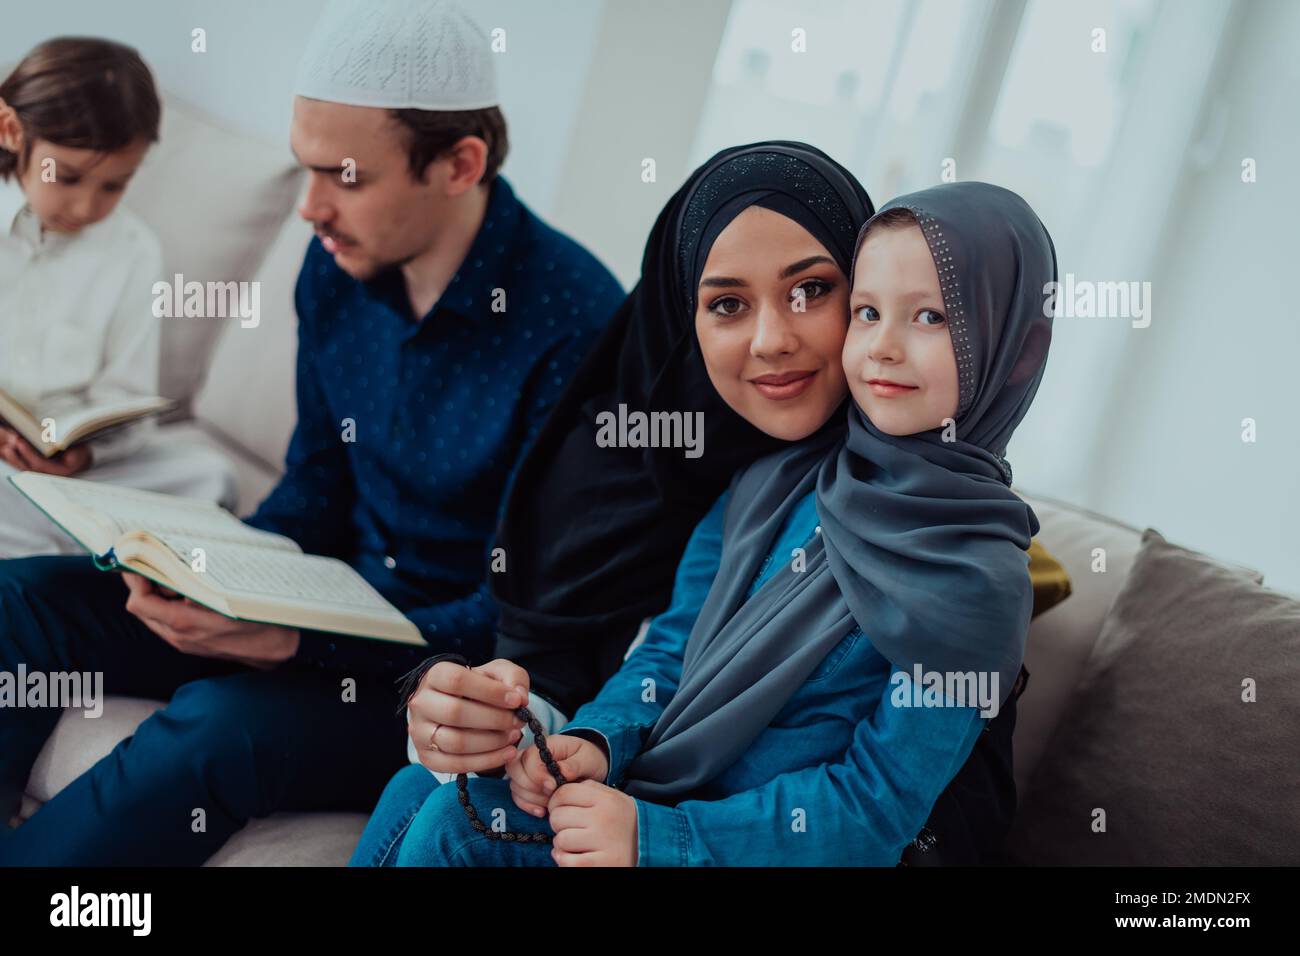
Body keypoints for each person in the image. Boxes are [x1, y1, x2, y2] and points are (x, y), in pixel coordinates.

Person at [0, 0, 623, 863]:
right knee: (20, 601)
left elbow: (525, 626)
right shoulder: (337, 267)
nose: (309, 208)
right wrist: (213, 577)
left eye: (345, 176)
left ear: (458, 164)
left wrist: (295, 639)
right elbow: (315, 485)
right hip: (320, 602)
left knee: (216, 727)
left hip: (431, 681)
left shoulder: (580, 331)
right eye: (304, 170)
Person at [375, 180, 1057, 866]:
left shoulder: (975, 577)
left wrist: (659, 839)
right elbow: (670, 650)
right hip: (662, 799)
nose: (882, 346)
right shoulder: (776, 479)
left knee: (455, 829)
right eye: (868, 311)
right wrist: (597, 741)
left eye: (931, 318)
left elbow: (878, 806)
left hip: (740, 844)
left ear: (1017, 351)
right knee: (429, 793)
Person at [0, 37, 237, 557]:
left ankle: (51, 537)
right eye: (66, 177)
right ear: (12, 131)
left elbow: (126, 403)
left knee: (209, 475)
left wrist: (79, 458)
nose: (86, 206)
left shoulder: (133, 252)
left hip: (73, 468)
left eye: (113, 187)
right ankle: (74, 542)